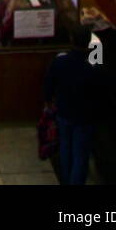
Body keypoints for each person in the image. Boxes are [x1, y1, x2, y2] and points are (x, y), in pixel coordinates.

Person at [44, 25, 99, 185]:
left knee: (65, 150)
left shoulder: (59, 62)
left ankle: (65, 180)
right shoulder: (92, 68)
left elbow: (49, 86)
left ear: (71, 40)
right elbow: (98, 92)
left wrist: (49, 102)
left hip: (64, 112)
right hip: (84, 117)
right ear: (89, 43)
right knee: (80, 156)